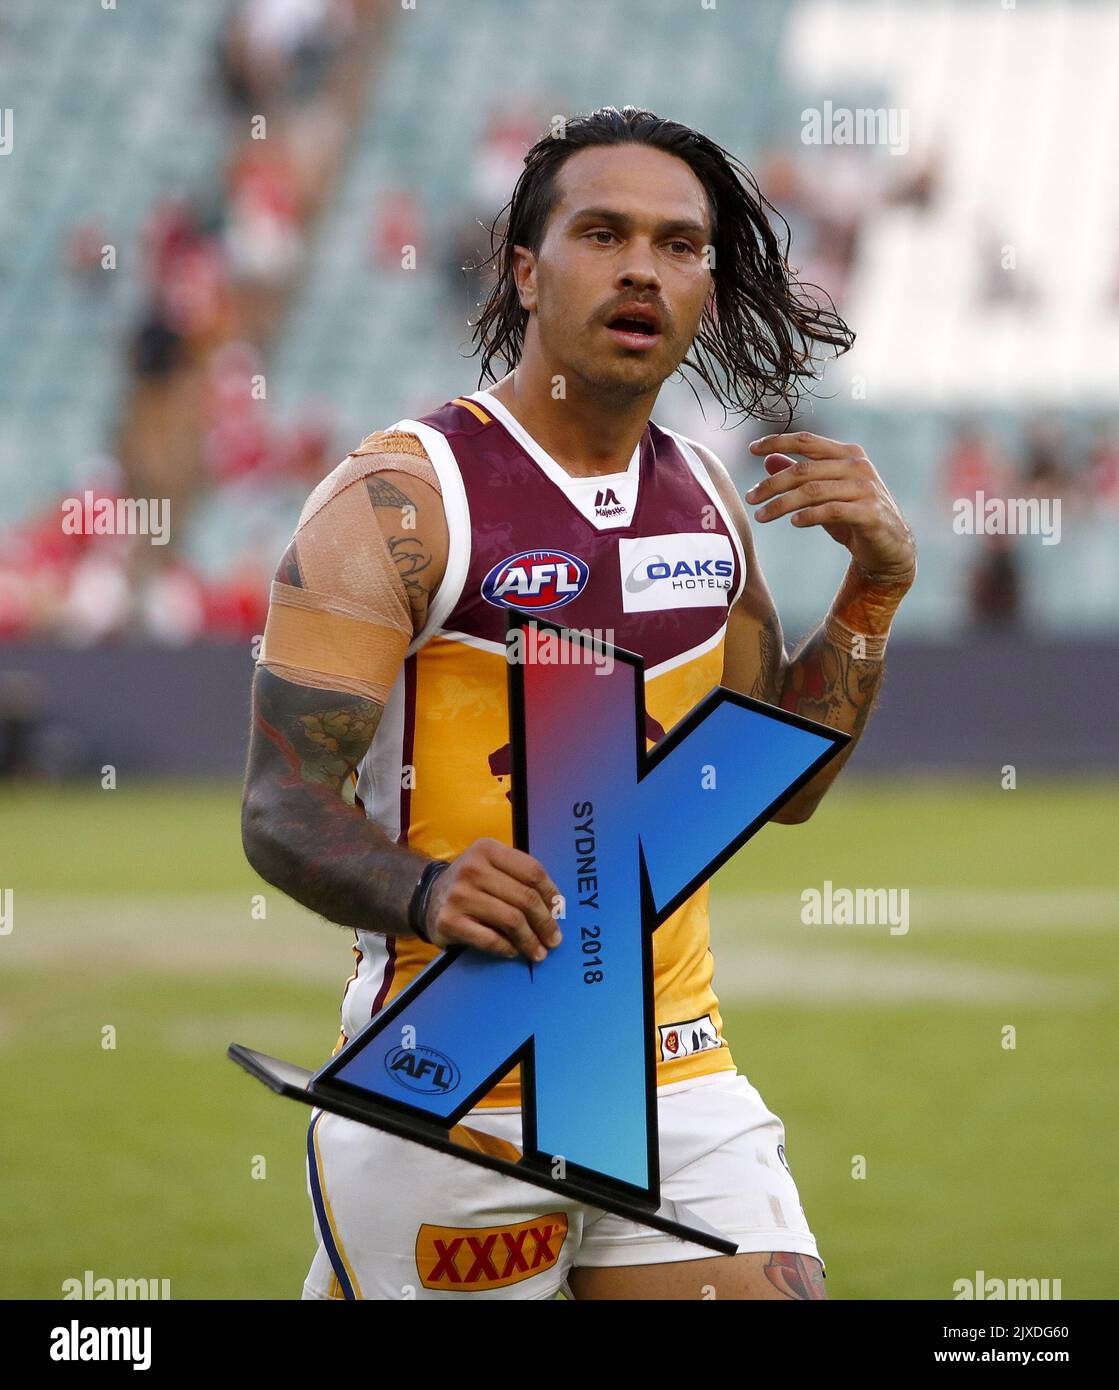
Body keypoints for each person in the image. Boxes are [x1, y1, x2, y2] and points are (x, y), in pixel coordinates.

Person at [240, 105, 917, 1301]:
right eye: (602, 233)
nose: (643, 267)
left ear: (707, 281)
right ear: (525, 268)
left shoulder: (706, 501)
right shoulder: (405, 497)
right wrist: (424, 886)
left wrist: (870, 595)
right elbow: (281, 805)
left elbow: (780, 786)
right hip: (456, 1074)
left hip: (672, 1070)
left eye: (679, 242)